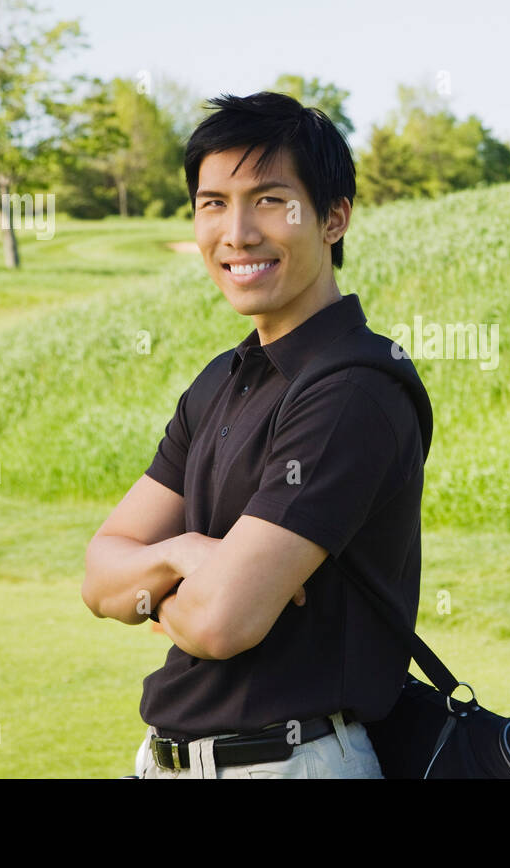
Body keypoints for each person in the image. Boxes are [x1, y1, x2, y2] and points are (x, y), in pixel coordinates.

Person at [81, 92, 429, 778]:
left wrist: (161, 591)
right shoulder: (222, 379)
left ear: (334, 217)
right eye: (213, 203)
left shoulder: (353, 390)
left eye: (270, 200)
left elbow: (221, 623)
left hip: (288, 762)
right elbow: (99, 577)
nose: (236, 232)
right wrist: (186, 554)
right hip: (165, 760)